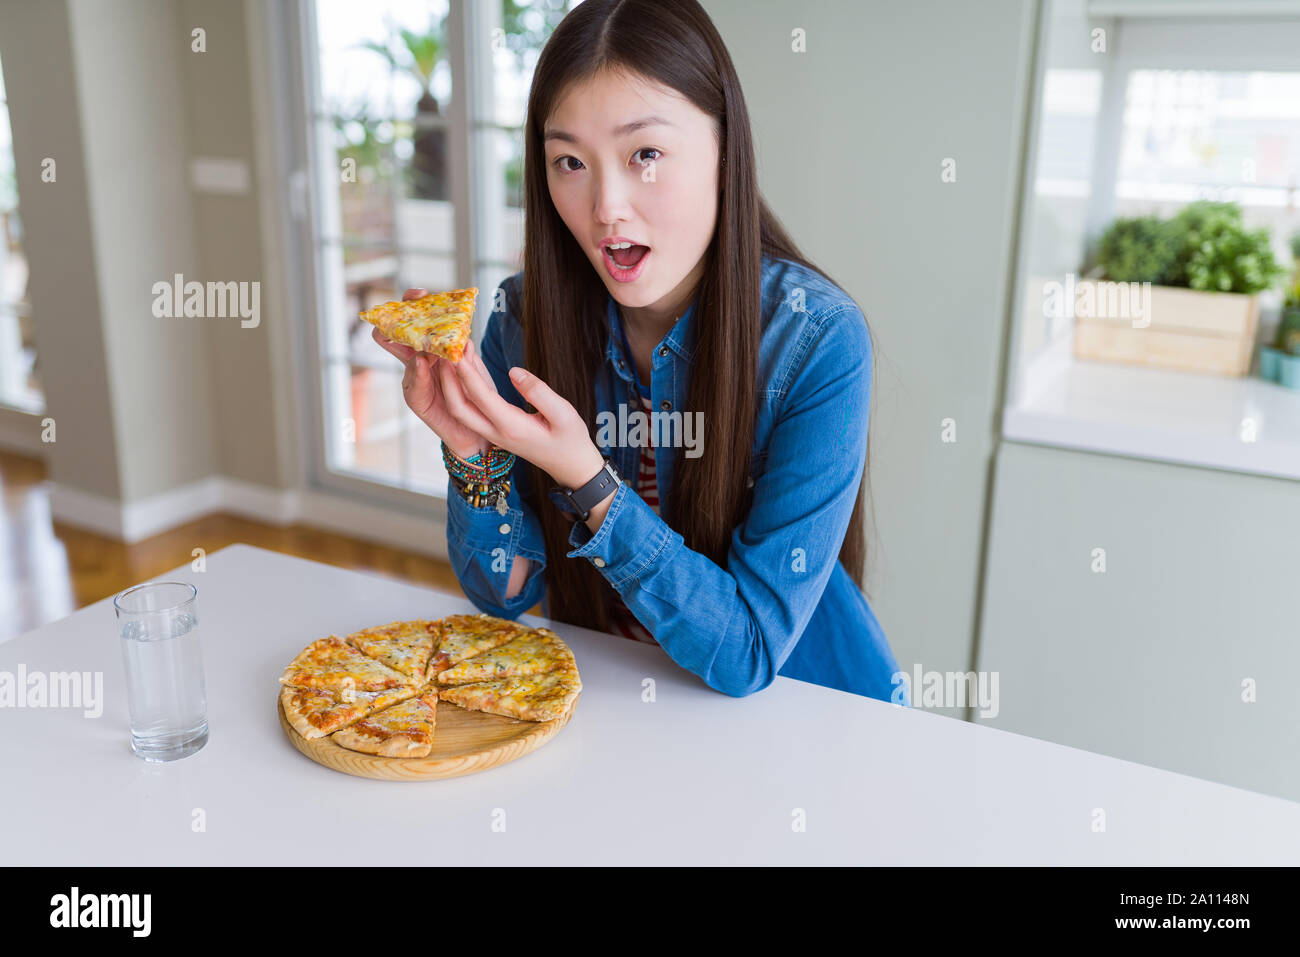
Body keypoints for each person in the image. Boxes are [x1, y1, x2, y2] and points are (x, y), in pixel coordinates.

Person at [373, 0, 906, 705]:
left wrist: (589, 482)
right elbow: (505, 593)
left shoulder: (816, 340)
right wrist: (475, 456)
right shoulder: (521, 320)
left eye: (645, 155)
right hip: (614, 710)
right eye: (570, 161)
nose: (605, 206)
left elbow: (746, 652)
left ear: (725, 149)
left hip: (800, 719)